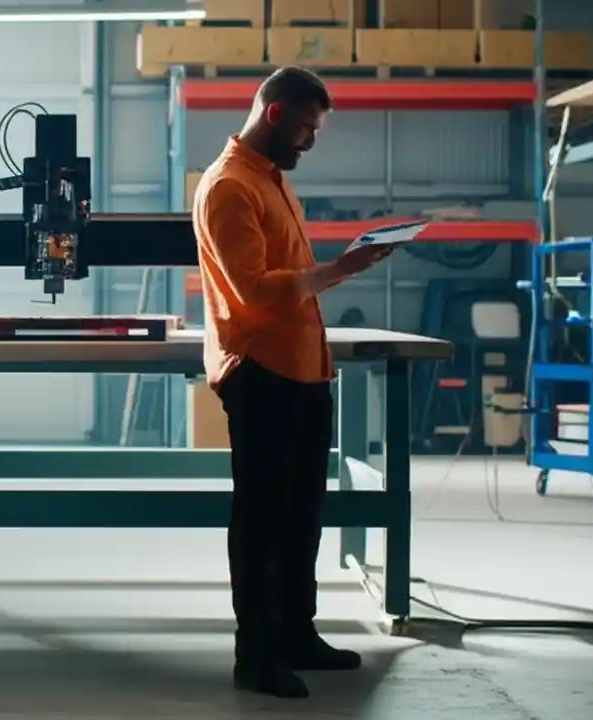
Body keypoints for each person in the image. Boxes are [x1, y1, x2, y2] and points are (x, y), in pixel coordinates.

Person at [191, 66, 394, 700]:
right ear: (275, 114)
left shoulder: (273, 182)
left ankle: (295, 634)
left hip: (302, 367)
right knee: (261, 521)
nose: (310, 141)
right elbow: (253, 288)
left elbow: (289, 275)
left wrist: (333, 270)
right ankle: (256, 656)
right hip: (261, 370)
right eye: (306, 128)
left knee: (302, 515)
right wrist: (341, 269)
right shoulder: (229, 187)